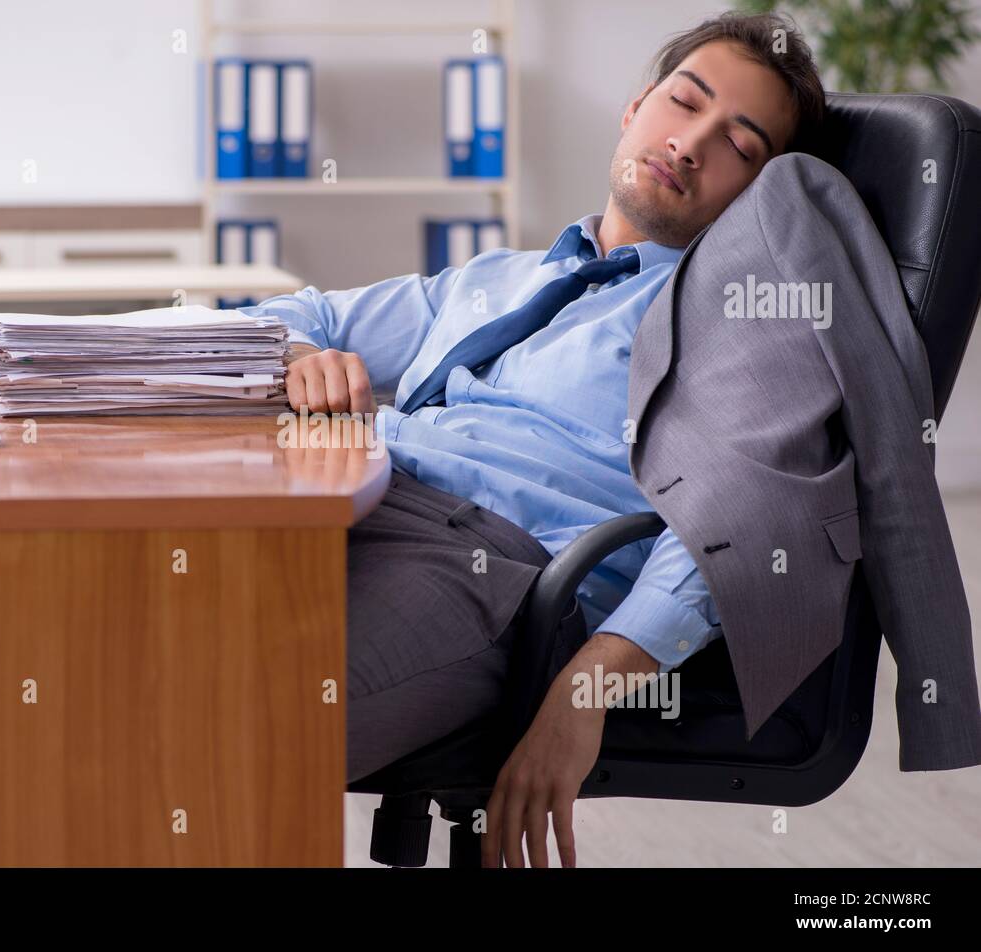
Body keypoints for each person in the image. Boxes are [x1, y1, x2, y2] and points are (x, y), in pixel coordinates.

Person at [240, 11, 826, 868]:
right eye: (684, 102)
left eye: (738, 142)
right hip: (341, 487)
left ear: (757, 192)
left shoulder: (731, 325)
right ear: (634, 110)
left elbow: (733, 524)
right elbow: (307, 310)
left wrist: (584, 689)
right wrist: (300, 353)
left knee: (232, 736)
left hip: (483, 563)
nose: (692, 143)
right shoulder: (502, 276)